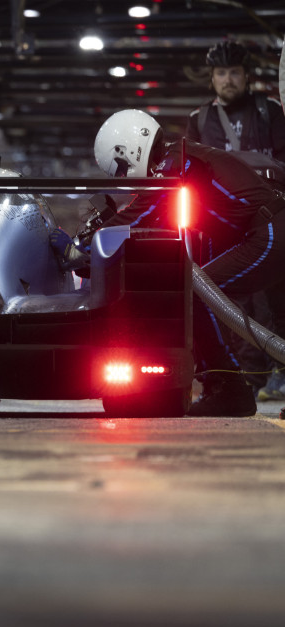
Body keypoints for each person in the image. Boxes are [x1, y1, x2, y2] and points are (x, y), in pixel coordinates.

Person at [53, 109, 285, 416]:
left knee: (197, 294)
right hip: (270, 227)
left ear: (128, 151)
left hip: (270, 231)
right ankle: (228, 386)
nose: (124, 179)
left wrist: (79, 247)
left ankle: (229, 389)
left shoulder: (176, 163)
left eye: (121, 169)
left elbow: (141, 214)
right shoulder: (178, 160)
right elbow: (152, 219)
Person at [186, 40, 285, 401]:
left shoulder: (269, 111)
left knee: (276, 300)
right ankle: (244, 377)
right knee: (226, 301)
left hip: (269, 218)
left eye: (234, 72)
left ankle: (277, 371)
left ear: (246, 75)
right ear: (212, 78)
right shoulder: (200, 120)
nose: (228, 79)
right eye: (221, 73)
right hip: (224, 226)